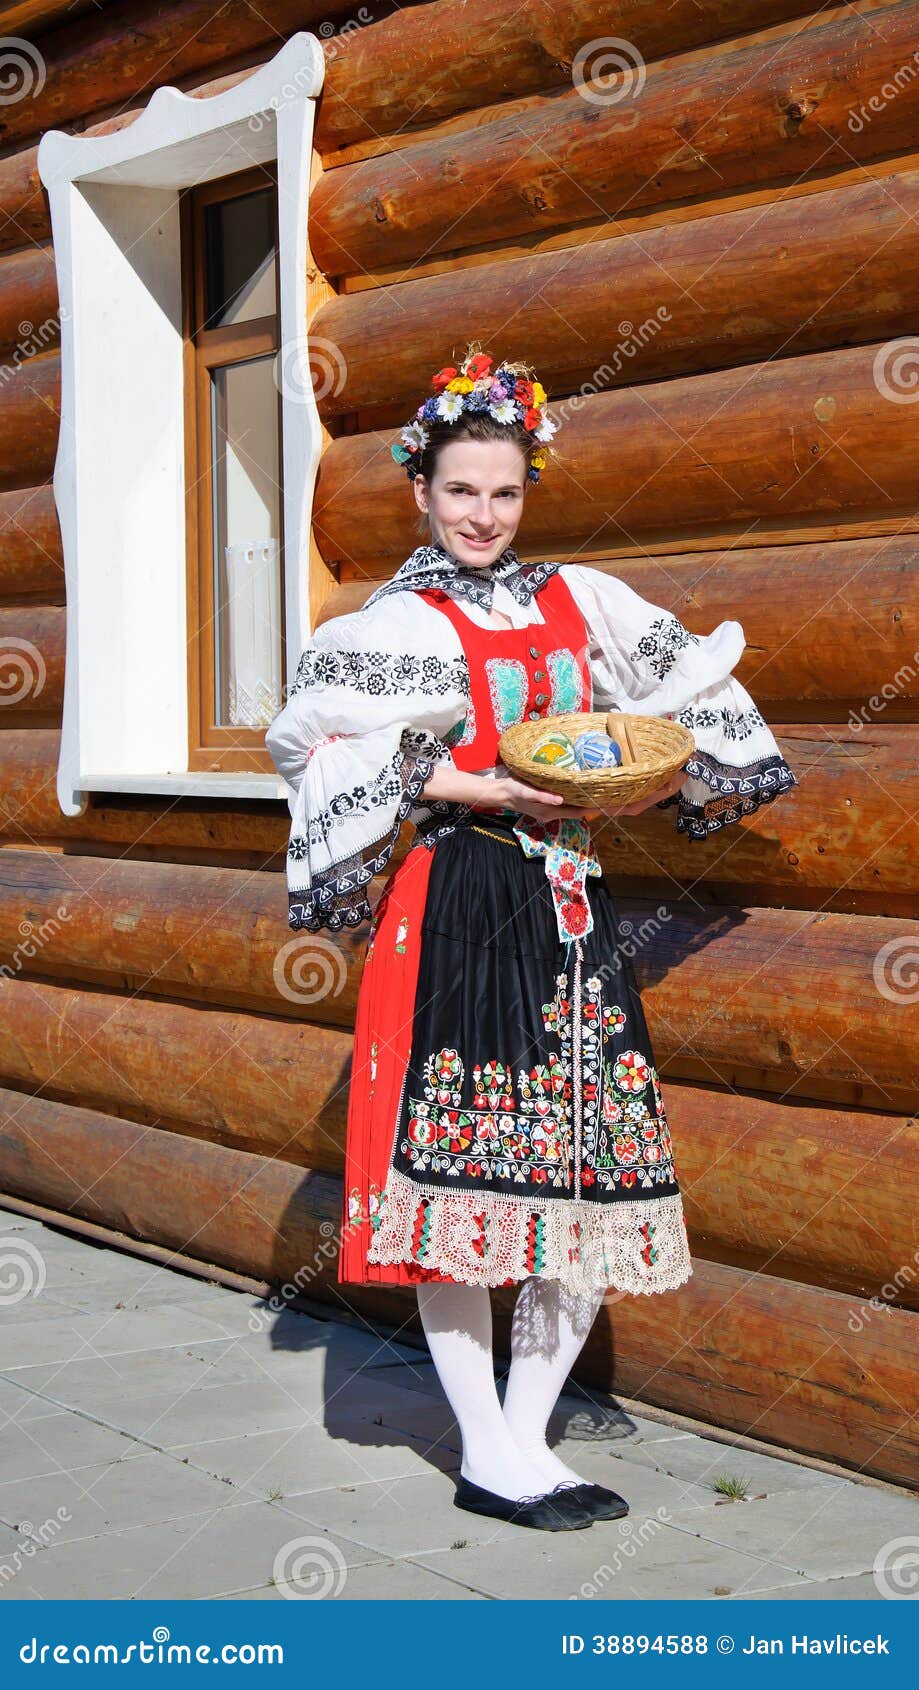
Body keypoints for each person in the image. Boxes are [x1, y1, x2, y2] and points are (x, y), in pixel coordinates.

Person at [265, 344, 798, 1533]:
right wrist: (472, 789)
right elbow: (307, 745)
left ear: (526, 492)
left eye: (503, 492)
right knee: (463, 1165)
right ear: (421, 491)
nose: (482, 514)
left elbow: (684, 697)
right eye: (460, 490)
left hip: (571, 898)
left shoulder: (582, 600)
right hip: (459, 894)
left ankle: (527, 1434)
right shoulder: (396, 621)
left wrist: (641, 777)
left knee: (587, 1169)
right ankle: (493, 1448)